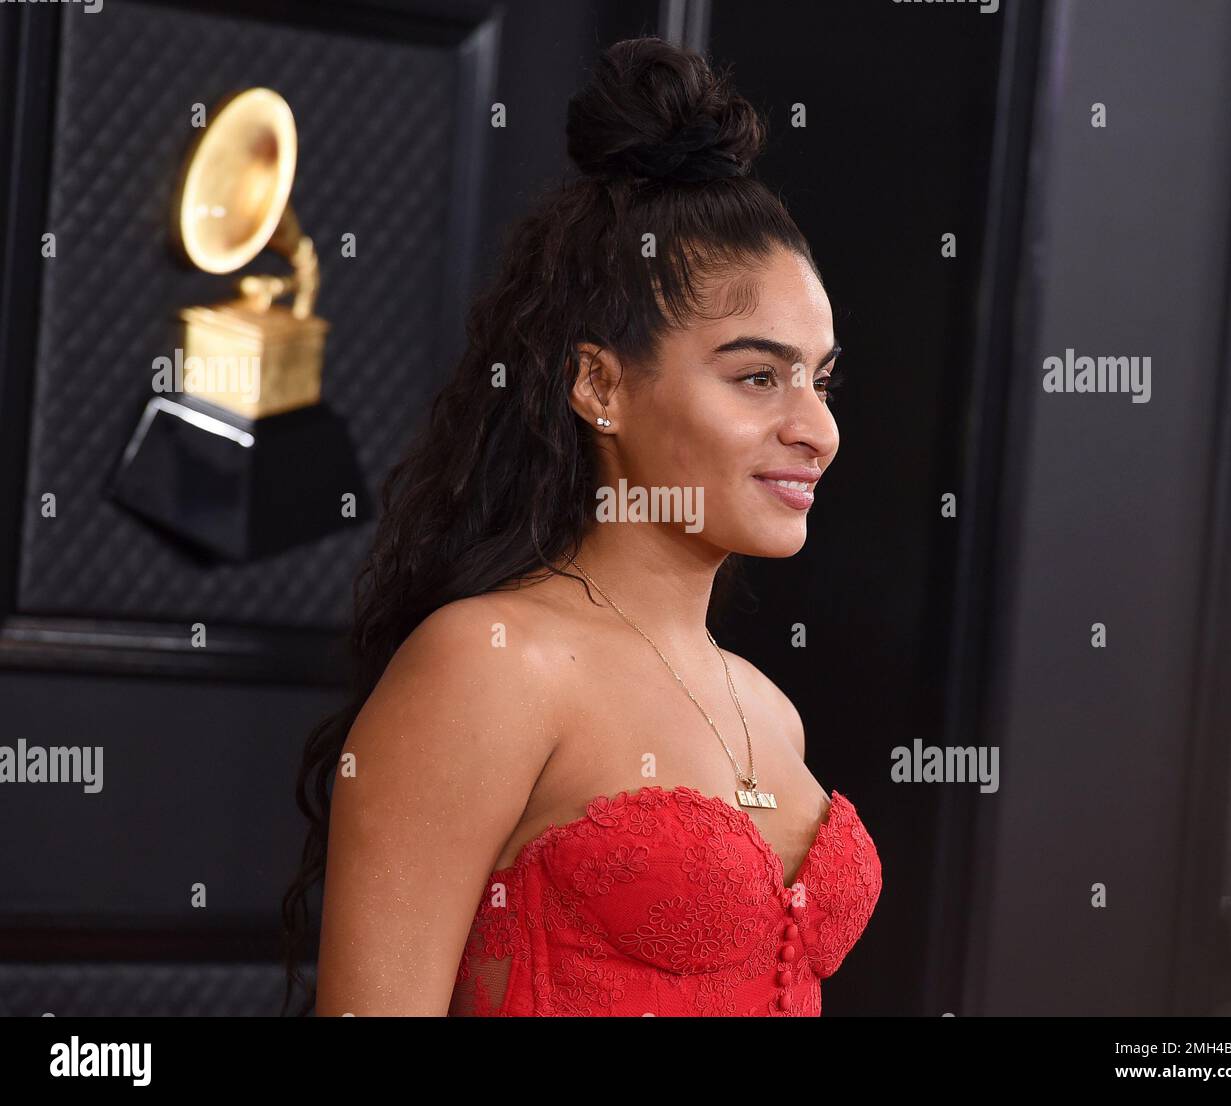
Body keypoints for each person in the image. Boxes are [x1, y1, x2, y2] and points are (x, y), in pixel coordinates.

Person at [284, 34, 882, 1017]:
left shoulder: (768, 707)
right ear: (599, 383)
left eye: (819, 380)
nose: (813, 428)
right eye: (756, 376)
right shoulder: (491, 663)